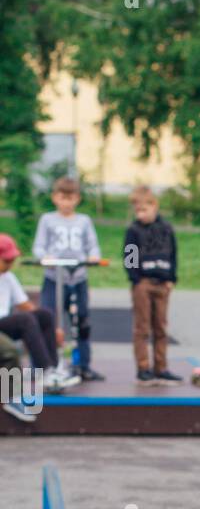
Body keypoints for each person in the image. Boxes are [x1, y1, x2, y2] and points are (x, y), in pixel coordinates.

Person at [33, 176, 103, 381]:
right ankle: (46, 365)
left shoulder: (84, 221)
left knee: (82, 320)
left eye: (70, 198)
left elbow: (92, 245)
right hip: (54, 278)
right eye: (62, 197)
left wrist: (93, 257)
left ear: (77, 199)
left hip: (78, 277)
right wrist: (45, 257)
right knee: (49, 319)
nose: (66, 202)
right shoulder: (47, 220)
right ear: (55, 198)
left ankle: (83, 364)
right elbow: (39, 246)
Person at [0, 232, 69, 418]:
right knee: (24, 322)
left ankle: (51, 371)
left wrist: (53, 329)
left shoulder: (8, 278)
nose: (10, 265)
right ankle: (12, 397)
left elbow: (25, 305)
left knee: (43, 315)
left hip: (3, 324)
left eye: (12, 261)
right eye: (6, 261)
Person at [122, 185, 182, 383]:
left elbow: (173, 254)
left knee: (161, 327)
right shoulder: (133, 230)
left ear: (154, 206)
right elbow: (130, 258)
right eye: (137, 211)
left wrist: (171, 278)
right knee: (142, 327)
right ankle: (143, 367)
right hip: (143, 283)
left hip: (163, 283)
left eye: (144, 210)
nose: (140, 214)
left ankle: (161, 366)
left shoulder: (166, 229)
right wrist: (136, 280)